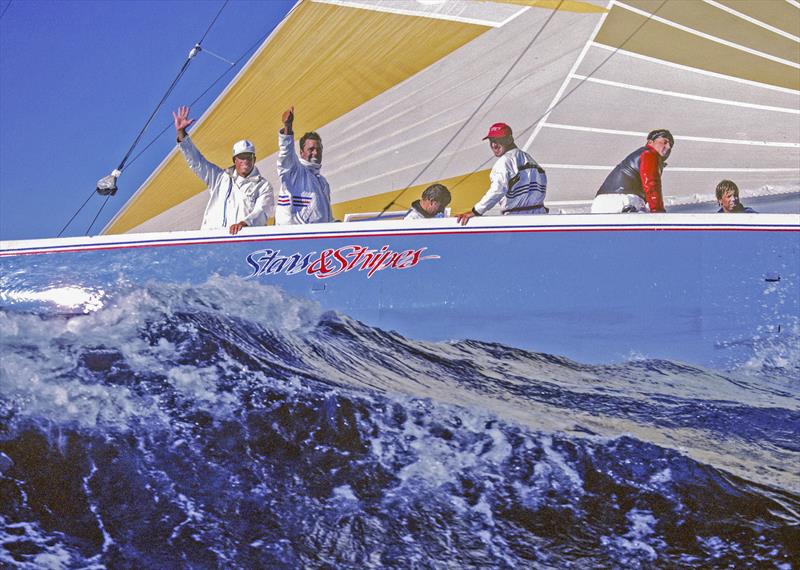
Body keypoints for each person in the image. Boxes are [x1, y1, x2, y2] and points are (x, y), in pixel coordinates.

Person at [173, 106, 273, 234]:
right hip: (212, 240)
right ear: (234, 160)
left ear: (254, 159)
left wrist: (245, 223)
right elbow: (197, 162)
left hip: (243, 241)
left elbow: (262, 211)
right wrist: (182, 134)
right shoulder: (219, 178)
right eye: (241, 157)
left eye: (249, 157)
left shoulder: (263, 186)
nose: (245, 161)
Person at [457, 123, 547, 225]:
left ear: (510, 139)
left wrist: (476, 211)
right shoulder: (531, 161)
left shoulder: (504, 162)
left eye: (499, 140)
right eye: (491, 141)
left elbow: (497, 190)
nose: (493, 145)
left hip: (515, 220)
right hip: (539, 218)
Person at [591, 129, 674, 214]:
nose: (668, 147)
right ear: (650, 142)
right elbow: (651, 184)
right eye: (665, 142)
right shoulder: (650, 154)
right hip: (623, 200)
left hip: (603, 203)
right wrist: (658, 210)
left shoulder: (642, 153)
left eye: (670, 145)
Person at [276, 106, 333, 224]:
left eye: (318, 149)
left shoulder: (323, 182)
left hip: (317, 239)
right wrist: (288, 127)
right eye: (311, 149)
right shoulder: (295, 171)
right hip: (295, 238)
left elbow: (325, 217)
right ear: (301, 152)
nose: (315, 153)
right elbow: (286, 154)